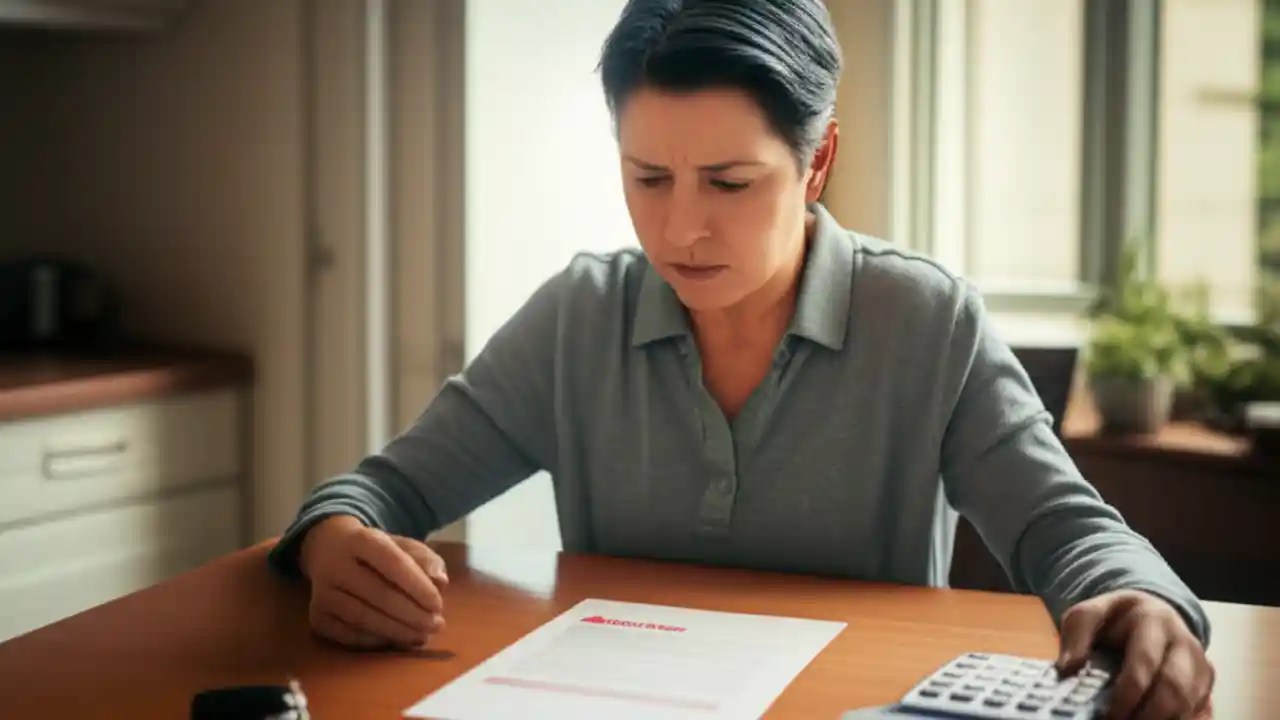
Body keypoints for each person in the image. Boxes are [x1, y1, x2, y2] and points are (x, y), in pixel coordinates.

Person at [270, 1, 1214, 717]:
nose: (681, 228)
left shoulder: (926, 322)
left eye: (729, 182)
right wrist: (332, 543)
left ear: (817, 162)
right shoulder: (579, 317)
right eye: (648, 178)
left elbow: (1064, 526)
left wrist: (1133, 596)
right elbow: (376, 493)